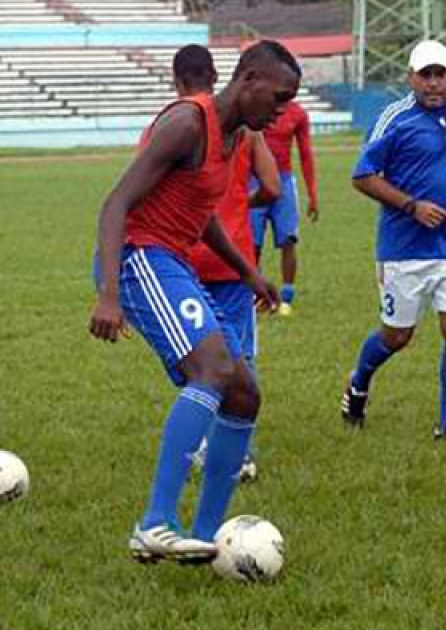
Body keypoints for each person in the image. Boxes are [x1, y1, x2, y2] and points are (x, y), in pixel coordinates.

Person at [90, 41, 297, 564]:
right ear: (248, 79)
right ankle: (154, 522)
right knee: (213, 368)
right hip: (139, 259)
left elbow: (200, 211)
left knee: (245, 392)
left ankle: (204, 537)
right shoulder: (188, 121)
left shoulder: (234, 135)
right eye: (278, 98)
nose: (281, 112)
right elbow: (116, 203)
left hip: (172, 262)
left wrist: (248, 271)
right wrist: (109, 294)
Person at [344, 40, 446, 444]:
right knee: (397, 336)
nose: (433, 83)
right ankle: (358, 383)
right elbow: (362, 175)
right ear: (410, 78)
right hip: (403, 250)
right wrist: (412, 206)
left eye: (439, 74)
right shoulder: (394, 118)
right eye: (424, 75)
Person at [171, 45, 282, 482]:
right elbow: (272, 188)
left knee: (195, 356)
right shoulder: (247, 132)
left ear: (176, 80)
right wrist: (239, 203)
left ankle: (201, 443)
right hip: (233, 258)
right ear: (218, 77)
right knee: (240, 356)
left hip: (182, 257)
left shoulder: (176, 123)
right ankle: (241, 452)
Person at [248, 97, 319, 315]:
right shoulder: (255, 109)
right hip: (253, 180)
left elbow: (306, 154)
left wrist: (312, 194)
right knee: (252, 244)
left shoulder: (297, 114)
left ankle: (287, 297)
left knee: (288, 239)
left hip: (284, 181)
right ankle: (256, 295)